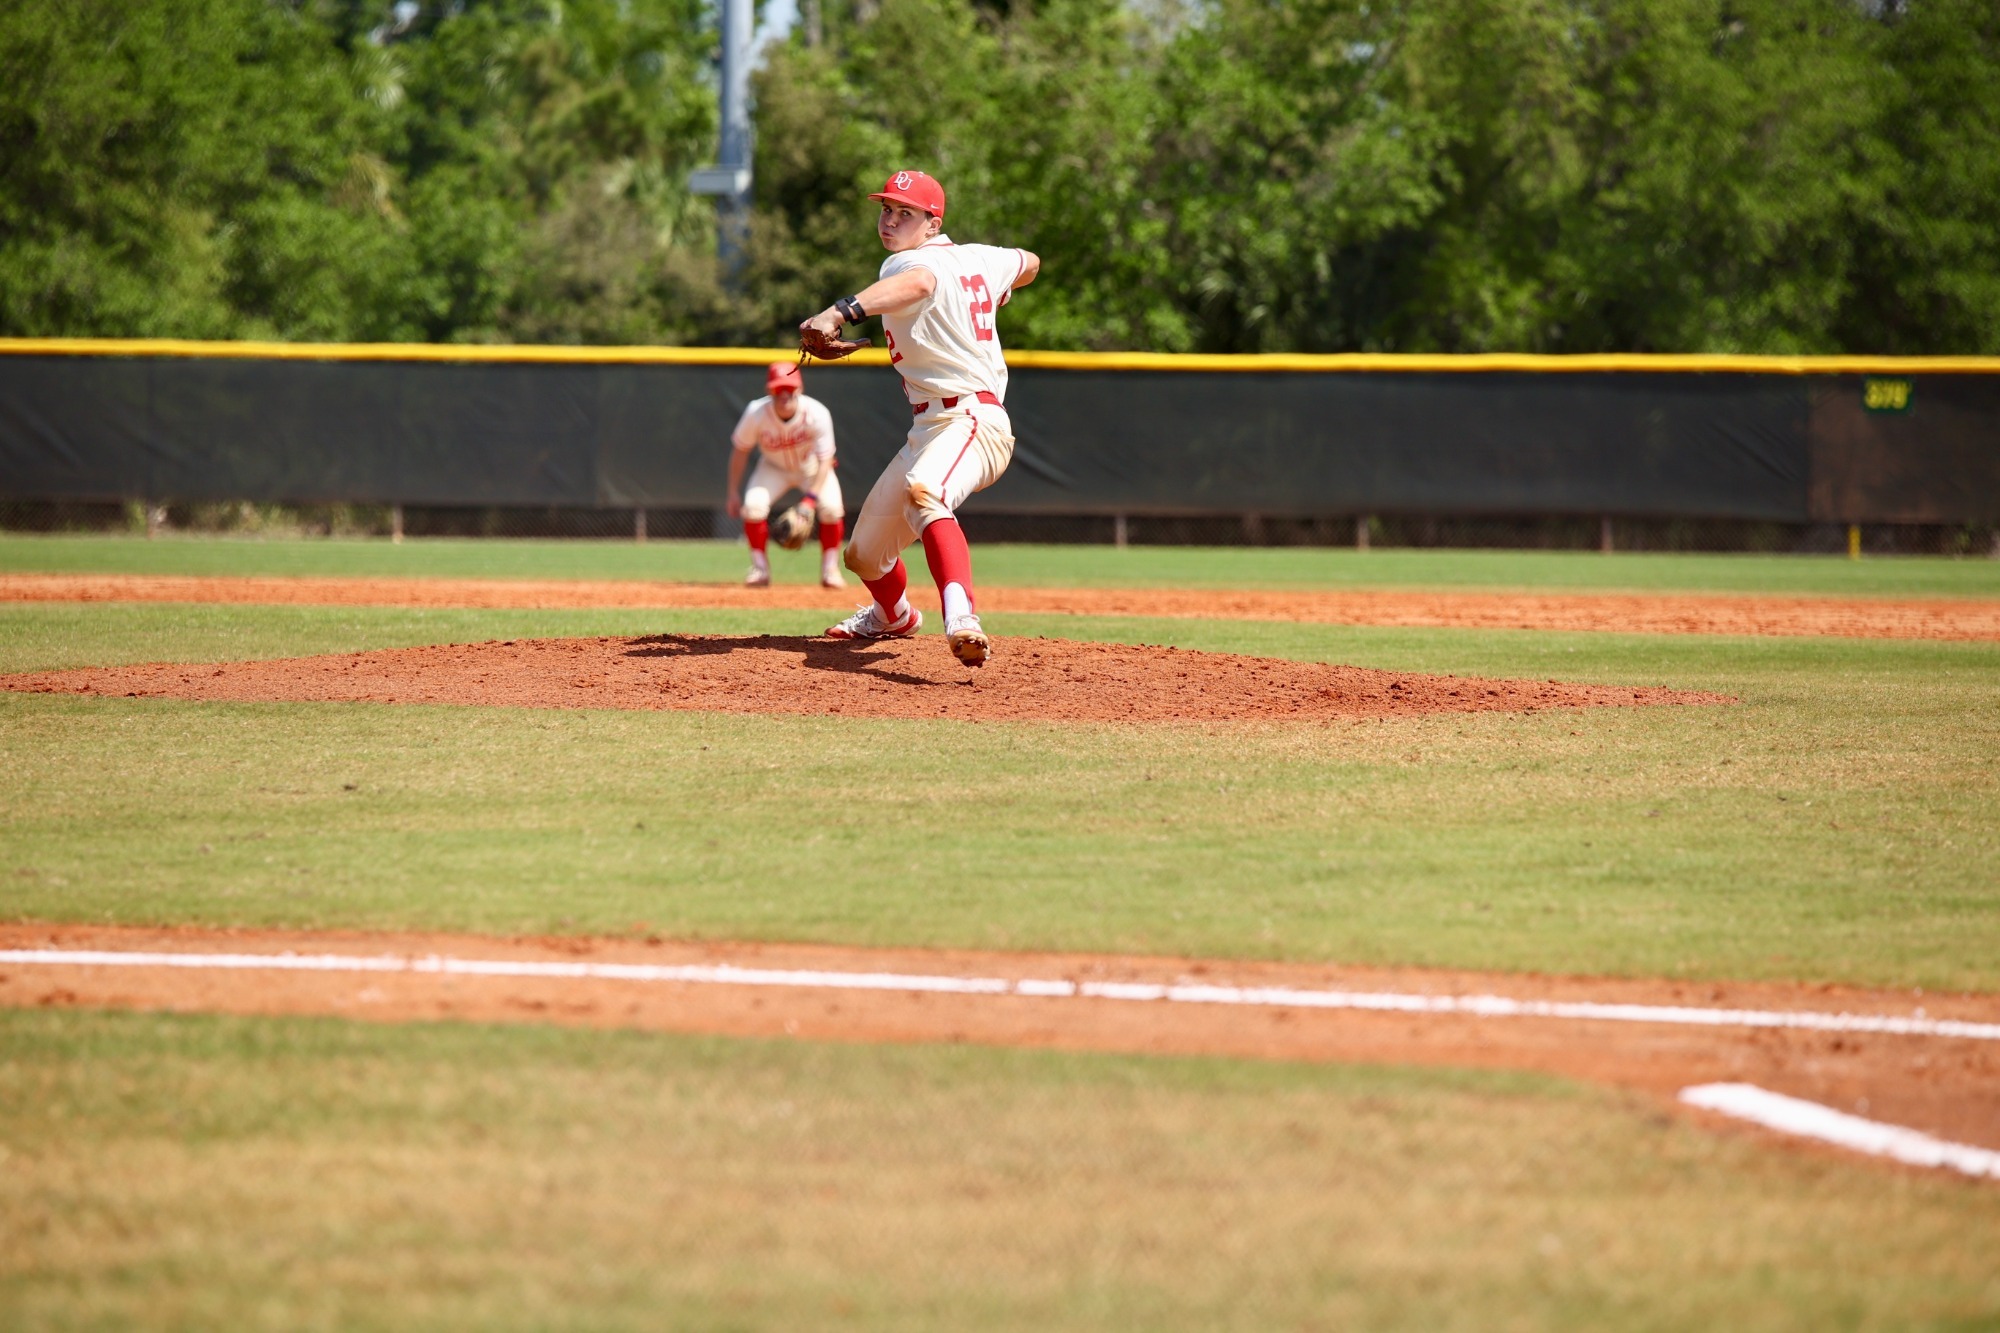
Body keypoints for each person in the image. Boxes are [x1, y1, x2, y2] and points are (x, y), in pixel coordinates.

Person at [798, 169, 1039, 667]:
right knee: (863, 554)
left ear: (933, 224)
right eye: (886, 209)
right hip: (928, 430)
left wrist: (841, 311)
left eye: (905, 214)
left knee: (925, 492)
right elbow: (1030, 262)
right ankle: (894, 615)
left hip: (974, 421)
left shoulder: (907, 263)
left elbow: (921, 282)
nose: (889, 221)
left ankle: (962, 617)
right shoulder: (981, 257)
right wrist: (1001, 285)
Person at [724, 361, 845, 589]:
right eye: (779, 388)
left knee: (831, 509)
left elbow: (825, 460)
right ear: (770, 390)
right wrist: (732, 492)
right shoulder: (756, 413)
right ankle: (760, 569)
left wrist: (810, 500)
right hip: (773, 468)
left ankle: (830, 570)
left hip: (812, 468)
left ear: (799, 389)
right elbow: (740, 451)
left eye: (789, 388)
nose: (784, 394)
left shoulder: (817, 413)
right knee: (753, 507)